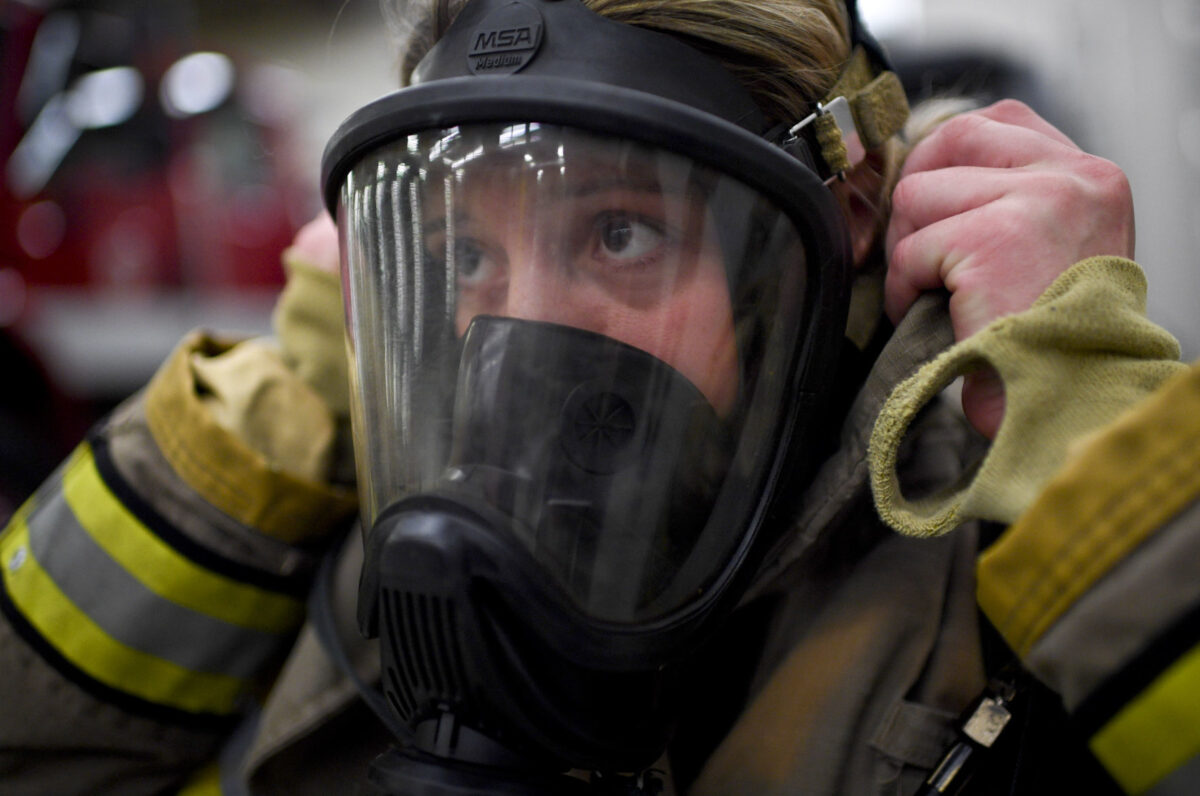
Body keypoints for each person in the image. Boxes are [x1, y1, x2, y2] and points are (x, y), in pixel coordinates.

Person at [0, 0, 1192, 794]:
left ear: (834, 237)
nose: (514, 346)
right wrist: (284, 399)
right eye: (464, 254)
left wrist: (1095, 434)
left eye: (620, 233)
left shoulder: (995, 556)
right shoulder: (327, 522)